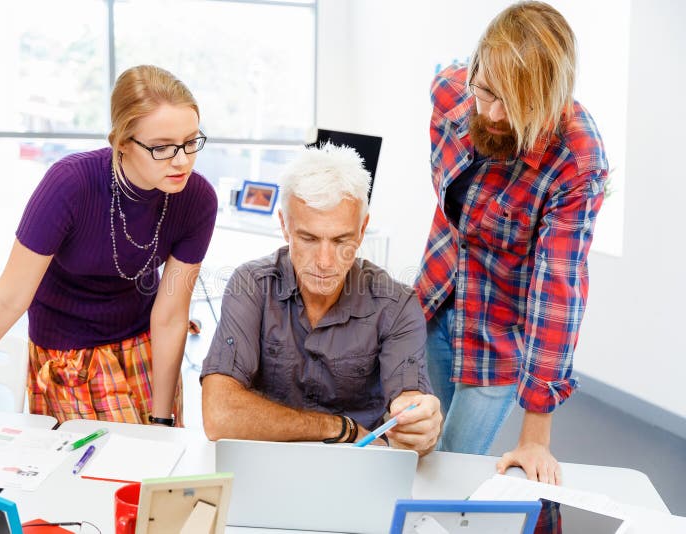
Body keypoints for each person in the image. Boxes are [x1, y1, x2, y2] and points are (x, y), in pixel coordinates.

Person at [0, 65, 218, 427]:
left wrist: (163, 419)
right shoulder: (70, 184)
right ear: (121, 142)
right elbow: (8, 298)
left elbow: (170, 315)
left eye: (191, 142)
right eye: (162, 148)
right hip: (68, 348)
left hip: (144, 340)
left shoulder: (197, 198)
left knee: (158, 452)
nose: (182, 160)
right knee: (110, 456)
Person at [415, 1, 608, 484]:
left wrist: (535, 437)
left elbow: (557, 291)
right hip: (435, 297)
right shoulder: (449, 93)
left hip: (498, 332)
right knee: (423, 449)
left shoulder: (577, 160)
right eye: (487, 92)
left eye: (517, 104)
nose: (495, 114)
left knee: (453, 463)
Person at [201, 144, 442, 454]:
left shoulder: (397, 305)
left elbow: (411, 404)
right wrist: (338, 428)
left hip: (357, 468)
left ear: (362, 230)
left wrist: (418, 424)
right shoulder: (251, 286)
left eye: (341, 240)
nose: (325, 262)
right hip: (266, 461)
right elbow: (219, 416)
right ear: (284, 225)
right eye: (309, 238)